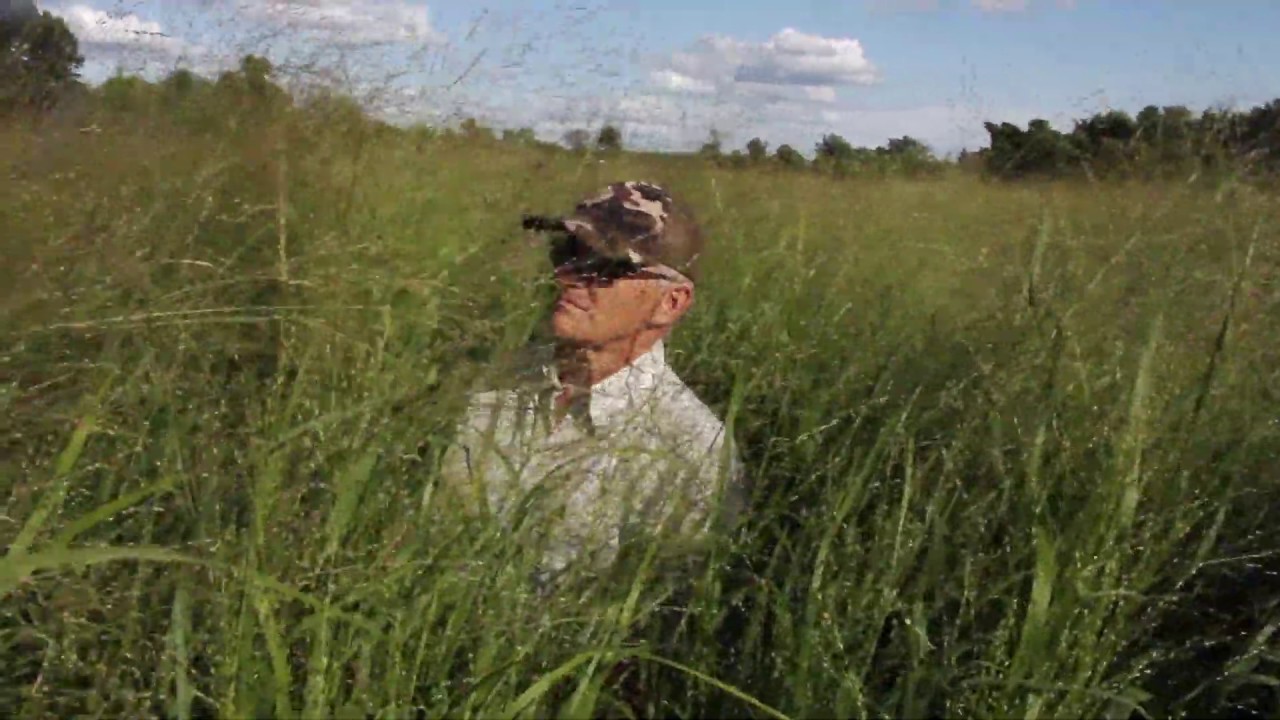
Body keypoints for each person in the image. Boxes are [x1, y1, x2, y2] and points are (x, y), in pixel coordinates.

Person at [438, 180, 745, 590]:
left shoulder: (694, 453)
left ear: (671, 302)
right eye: (566, 253)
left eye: (606, 266)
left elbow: (659, 621)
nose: (568, 276)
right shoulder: (492, 379)